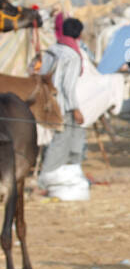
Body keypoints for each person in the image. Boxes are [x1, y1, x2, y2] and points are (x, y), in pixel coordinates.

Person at [38, 17, 87, 176]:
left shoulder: (52, 49)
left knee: (75, 136)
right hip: (63, 104)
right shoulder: (72, 55)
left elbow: (42, 76)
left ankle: (71, 171)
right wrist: (75, 108)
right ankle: (47, 176)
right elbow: (68, 86)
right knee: (61, 140)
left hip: (48, 100)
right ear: (79, 34)